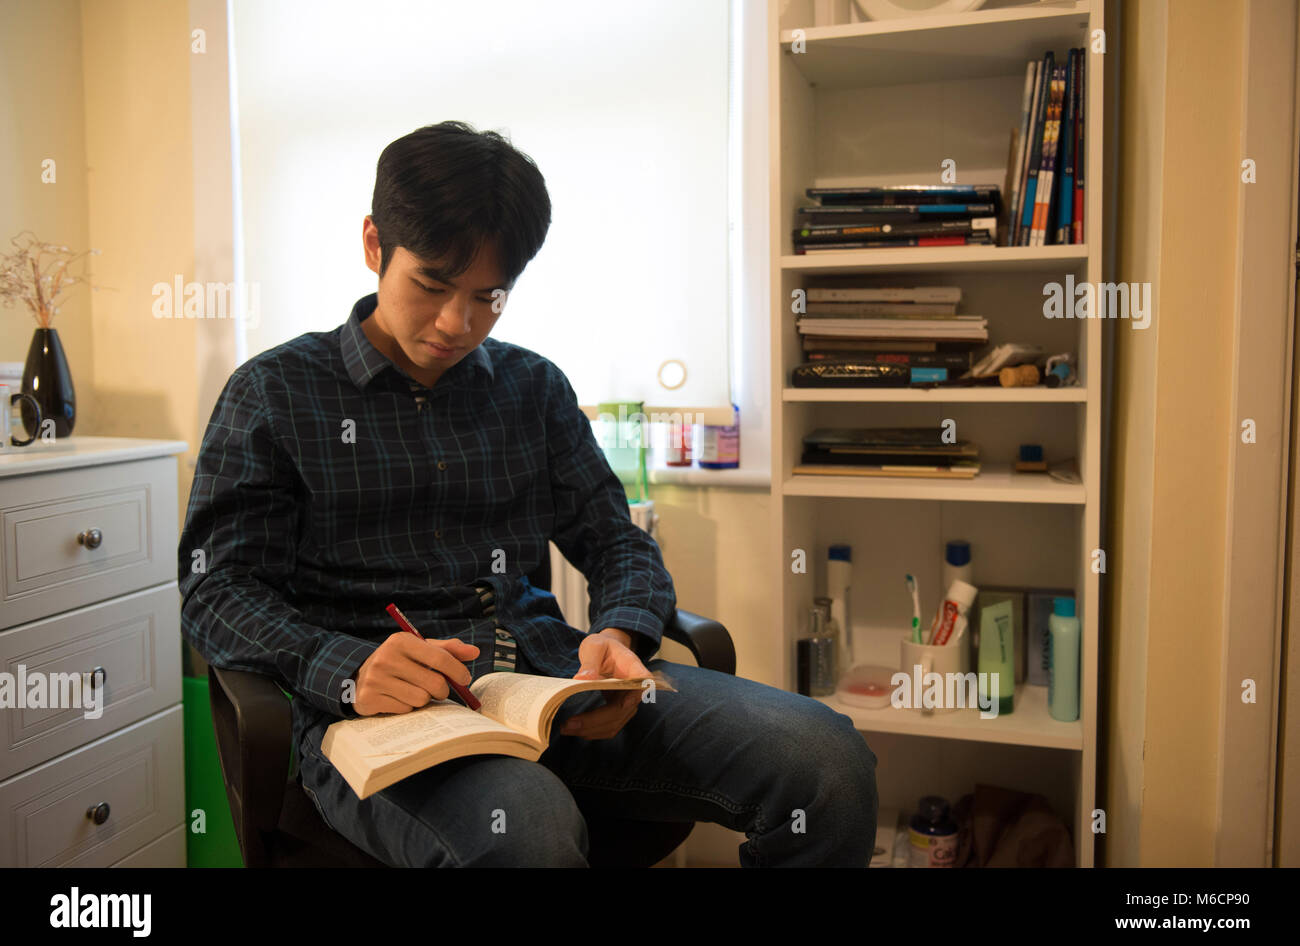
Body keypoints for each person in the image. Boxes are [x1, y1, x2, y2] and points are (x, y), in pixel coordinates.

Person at [178, 120, 877, 867]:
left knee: (827, 761)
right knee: (529, 827)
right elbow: (213, 589)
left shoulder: (531, 387)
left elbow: (615, 539)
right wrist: (344, 664)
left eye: (489, 296)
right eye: (433, 286)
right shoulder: (275, 392)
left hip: (549, 685)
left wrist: (622, 634)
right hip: (385, 721)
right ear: (374, 245)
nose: (458, 323)